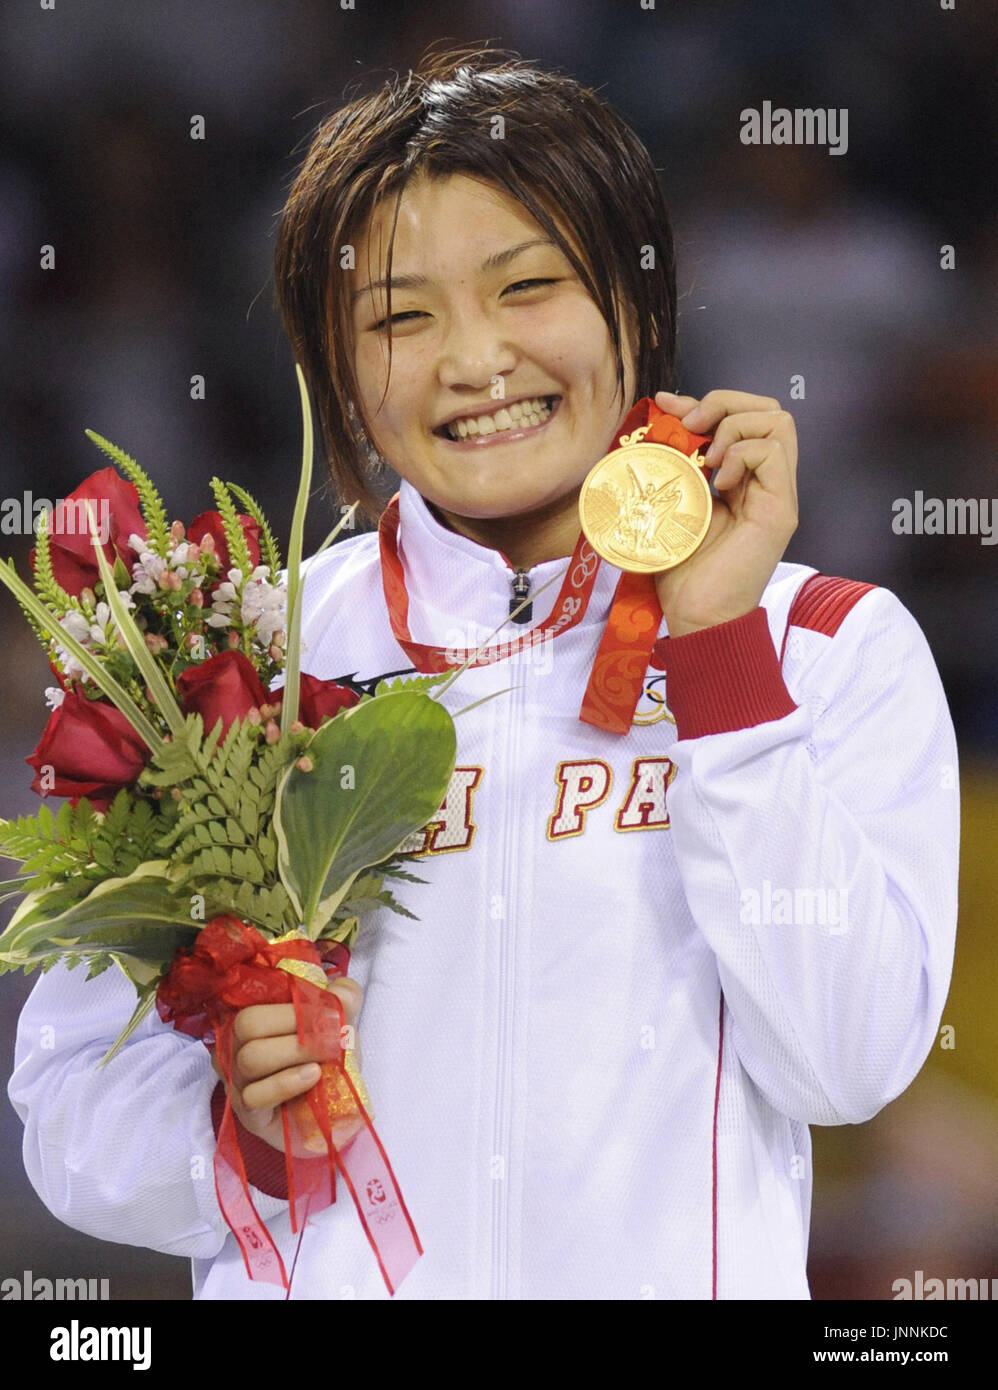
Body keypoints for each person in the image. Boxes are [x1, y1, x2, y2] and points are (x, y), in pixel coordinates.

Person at [8, 43, 959, 1300]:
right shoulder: (224, 665)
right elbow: (72, 1120)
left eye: (529, 287)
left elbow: (845, 1062)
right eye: (400, 315)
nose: (474, 360)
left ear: (639, 303)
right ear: (336, 371)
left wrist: (716, 652)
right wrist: (233, 1131)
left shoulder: (823, 647)